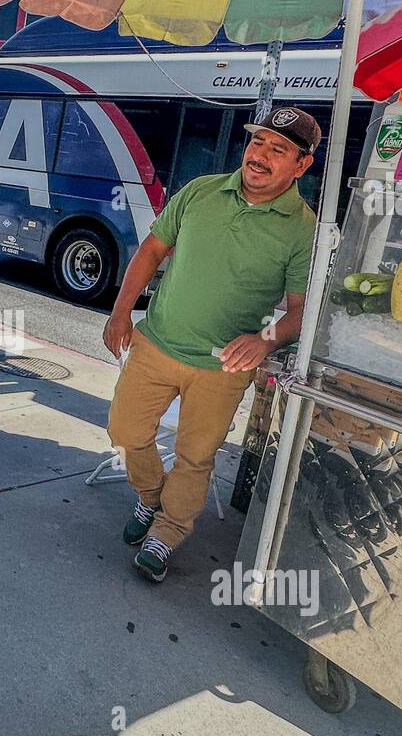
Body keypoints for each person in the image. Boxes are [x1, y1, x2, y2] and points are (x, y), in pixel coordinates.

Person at [103, 107, 321, 583]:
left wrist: (266, 339)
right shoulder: (201, 190)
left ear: (301, 165)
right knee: (125, 432)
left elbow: (303, 310)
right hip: (157, 342)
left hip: (223, 367)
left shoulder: (304, 228)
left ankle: (168, 530)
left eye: (277, 149)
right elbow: (152, 250)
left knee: (195, 456)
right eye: (258, 142)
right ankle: (151, 497)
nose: (260, 155)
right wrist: (121, 312)